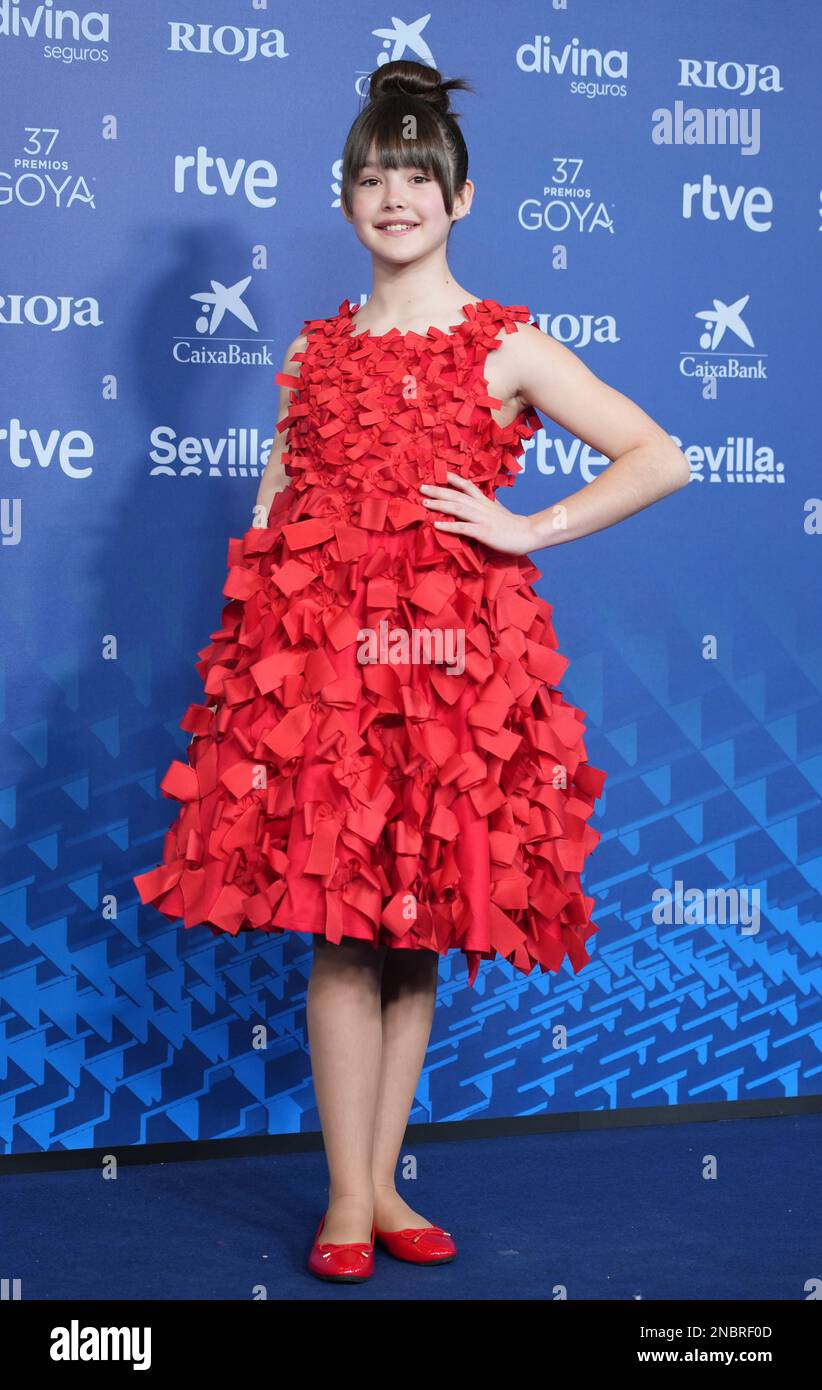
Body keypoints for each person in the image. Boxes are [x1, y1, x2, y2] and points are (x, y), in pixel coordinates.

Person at [134, 58, 690, 1283]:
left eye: (417, 177)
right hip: (325, 679)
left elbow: (659, 454)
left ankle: (385, 1184)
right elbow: (278, 496)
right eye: (374, 177)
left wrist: (527, 528)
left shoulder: (507, 345)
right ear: (347, 201)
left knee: (416, 931)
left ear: (462, 198)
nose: (396, 197)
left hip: (451, 682)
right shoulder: (317, 349)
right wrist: (266, 652)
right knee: (341, 934)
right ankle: (347, 1199)